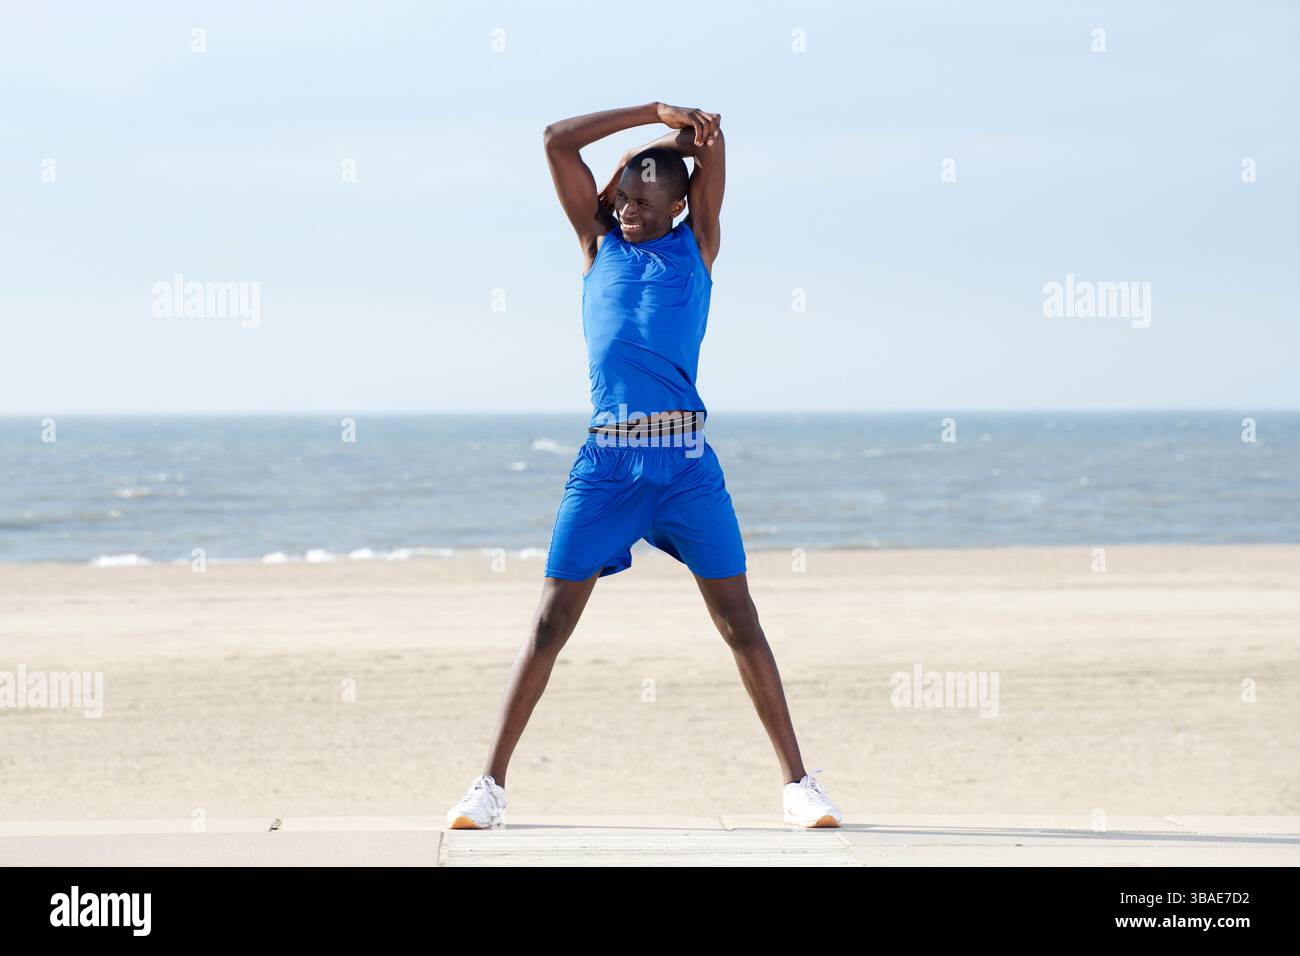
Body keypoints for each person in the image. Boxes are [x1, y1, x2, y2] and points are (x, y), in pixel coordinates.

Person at [446, 102, 841, 830]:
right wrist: (650, 119)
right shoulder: (599, 247)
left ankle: (799, 784)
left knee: (739, 621)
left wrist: (677, 140)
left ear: (680, 205)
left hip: (687, 467)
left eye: (645, 202)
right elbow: (556, 140)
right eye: (622, 197)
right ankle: (489, 785)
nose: (628, 210)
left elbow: (709, 145)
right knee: (548, 626)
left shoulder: (701, 245)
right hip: (606, 465)